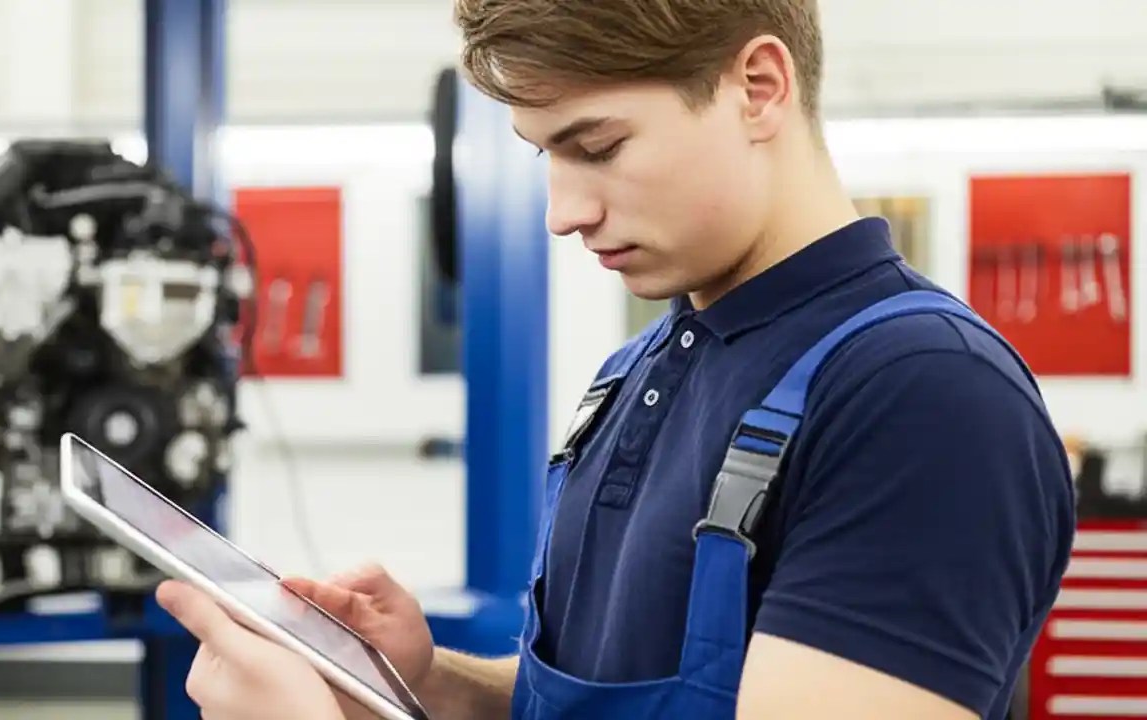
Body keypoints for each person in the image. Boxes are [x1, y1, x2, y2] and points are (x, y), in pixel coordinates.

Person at [156, 0, 1076, 718]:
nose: (564, 212)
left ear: (758, 87)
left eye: (596, 147)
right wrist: (420, 685)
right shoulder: (638, 371)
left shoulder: (924, 398)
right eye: (545, 156)